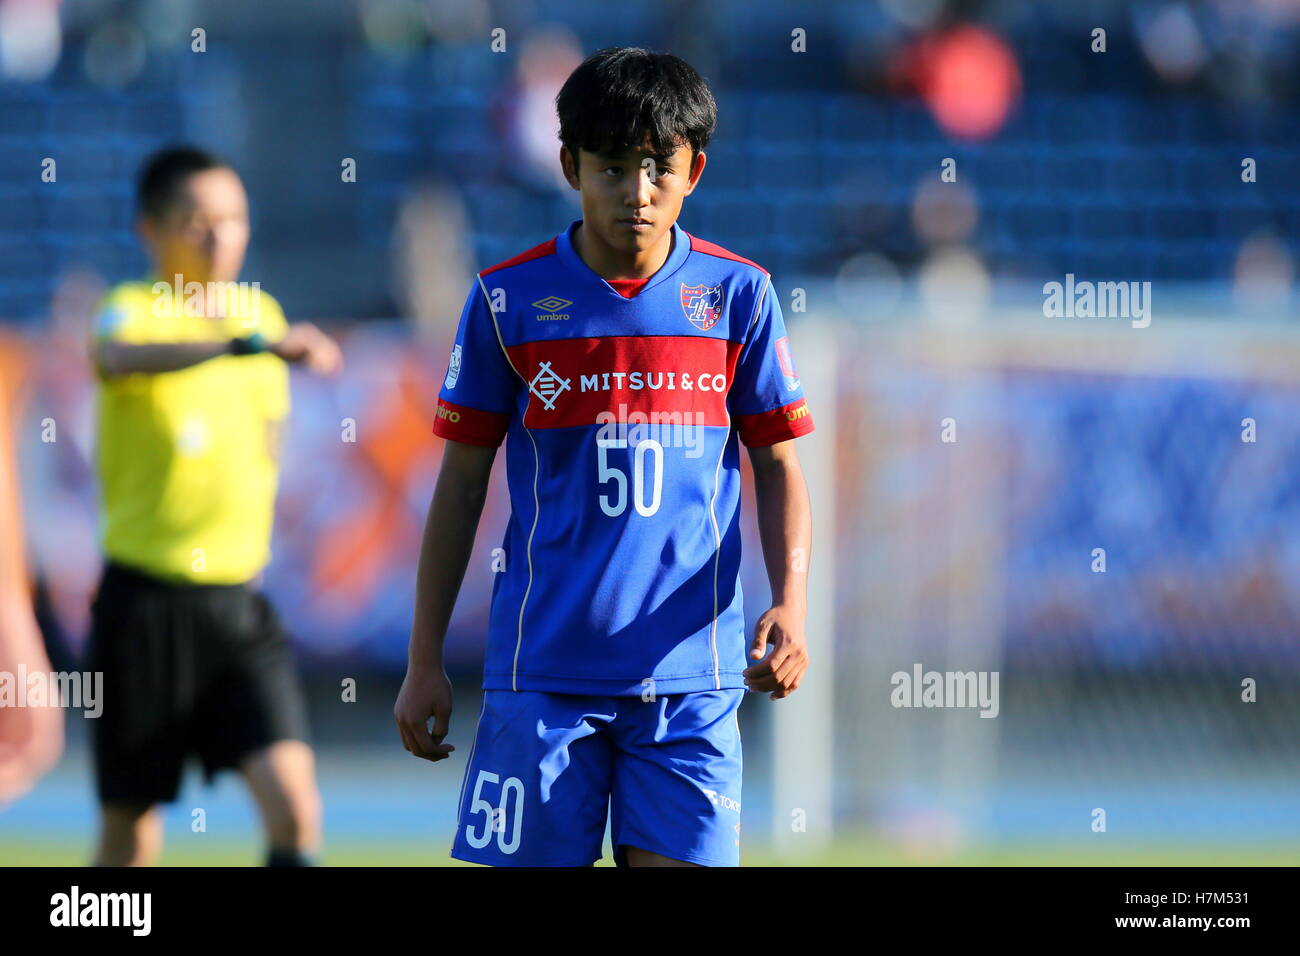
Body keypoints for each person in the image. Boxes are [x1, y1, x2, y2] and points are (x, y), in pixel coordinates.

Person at [395, 48, 816, 867]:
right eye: (613, 167)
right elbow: (459, 487)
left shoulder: (739, 298)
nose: (637, 191)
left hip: (689, 682)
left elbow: (779, 464)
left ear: (694, 170)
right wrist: (424, 660)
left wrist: (792, 602)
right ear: (568, 166)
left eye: (658, 166)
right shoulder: (507, 301)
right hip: (542, 675)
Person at [86, 146, 341, 866]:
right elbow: (117, 357)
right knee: (131, 836)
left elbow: (266, 444)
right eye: (197, 222)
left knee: (295, 810)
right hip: (145, 606)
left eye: (232, 220)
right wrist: (237, 344)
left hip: (237, 607)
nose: (218, 237)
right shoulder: (130, 312)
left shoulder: (260, 313)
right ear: (150, 230)